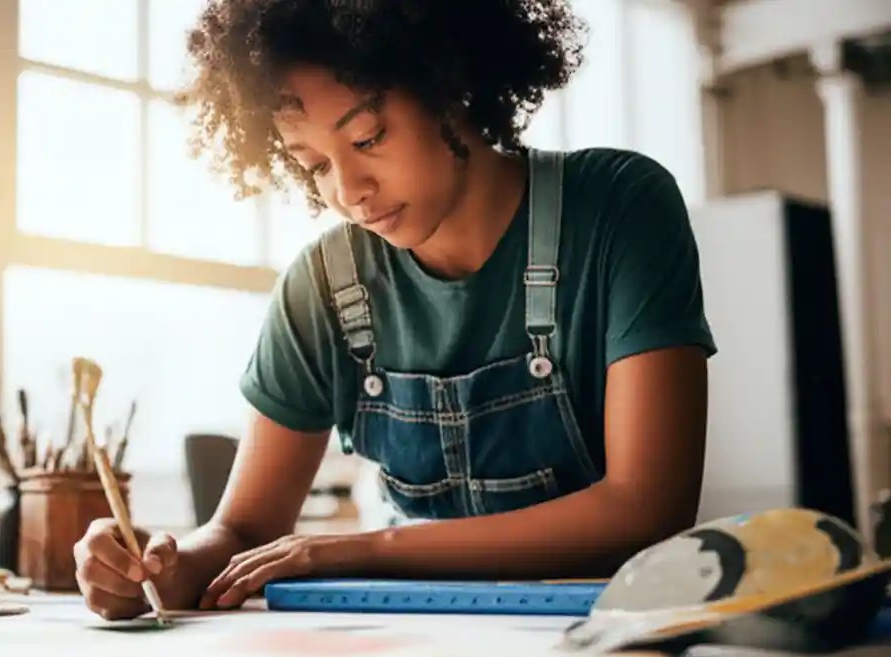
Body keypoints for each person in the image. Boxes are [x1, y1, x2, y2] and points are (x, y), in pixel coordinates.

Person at [74, 0, 717, 620]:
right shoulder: (323, 286)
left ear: (451, 84)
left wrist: (362, 551)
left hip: (608, 633)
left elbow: (646, 505)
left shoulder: (620, 208)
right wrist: (158, 568)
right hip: (414, 637)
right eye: (315, 164)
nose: (348, 191)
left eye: (369, 136)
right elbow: (242, 530)